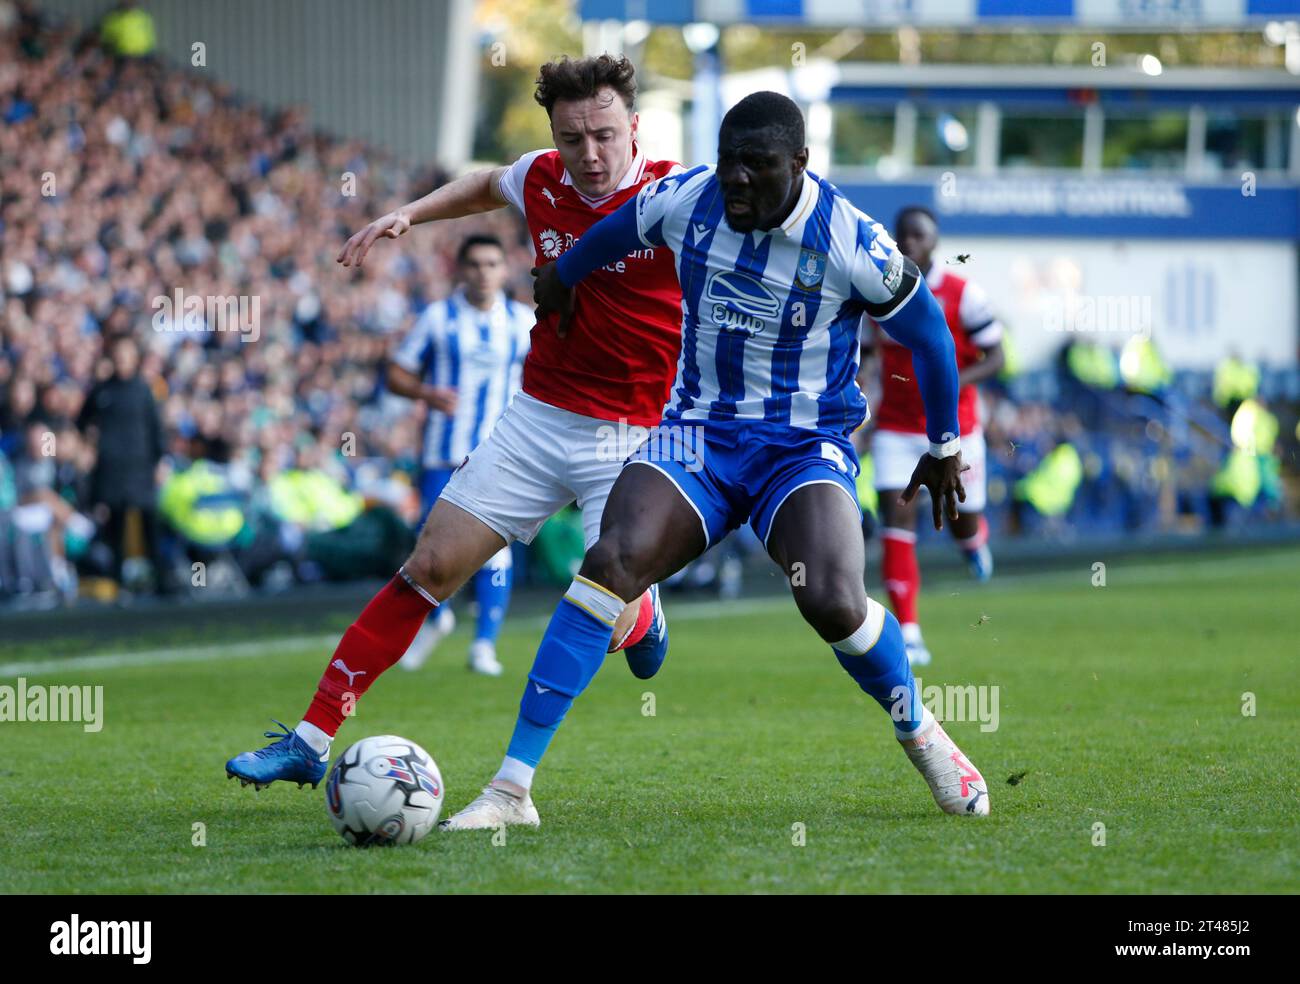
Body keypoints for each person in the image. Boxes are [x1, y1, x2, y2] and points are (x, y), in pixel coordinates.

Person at [438, 91, 989, 830]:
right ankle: (511, 790)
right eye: (729, 163)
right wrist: (563, 276)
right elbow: (615, 229)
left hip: (802, 447)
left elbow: (930, 336)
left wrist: (946, 446)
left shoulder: (851, 239)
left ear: (799, 164)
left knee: (832, 600)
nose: (736, 181)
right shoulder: (686, 197)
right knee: (610, 562)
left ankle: (919, 729)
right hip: (698, 433)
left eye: (757, 167)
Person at [225, 54, 680, 791]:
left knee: (601, 602)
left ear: (633, 127)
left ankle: (639, 619)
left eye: (603, 135)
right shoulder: (541, 177)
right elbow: (485, 182)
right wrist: (409, 212)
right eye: (572, 139)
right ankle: (310, 740)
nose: (589, 155)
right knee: (428, 567)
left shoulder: (678, 194)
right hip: (537, 417)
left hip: (629, 436)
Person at [863, 206, 1004, 666]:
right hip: (896, 428)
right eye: (902, 235)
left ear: (935, 242)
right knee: (895, 519)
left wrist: (952, 382)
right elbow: (867, 356)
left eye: (919, 235)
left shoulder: (965, 295)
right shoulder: (877, 290)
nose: (909, 243)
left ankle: (972, 540)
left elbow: (997, 356)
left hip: (956, 431)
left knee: (961, 516)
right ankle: (908, 630)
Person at [387, 234, 533, 676]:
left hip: (499, 455)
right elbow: (396, 373)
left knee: (497, 550)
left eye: (492, 264)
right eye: (475, 264)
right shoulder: (437, 318)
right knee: (428, 550)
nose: (484, 272)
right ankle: (437, 618)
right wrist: (425, 392)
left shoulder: (523, 322)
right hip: (441, 453)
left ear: (504, 270)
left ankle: (484, 645)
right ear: (461, 269)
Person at [75, 334, 170, 596]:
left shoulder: (143, 390)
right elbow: (81, 423)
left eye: (126, 353)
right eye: (117, 353)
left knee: (149, 524)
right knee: (114, 528)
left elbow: (156, 431)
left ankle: (159, 580)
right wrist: (86, 447)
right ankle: (118, 584)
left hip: (140, 468)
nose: (121, 359)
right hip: (111, 470)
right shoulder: (102, 390)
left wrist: (160, 461)